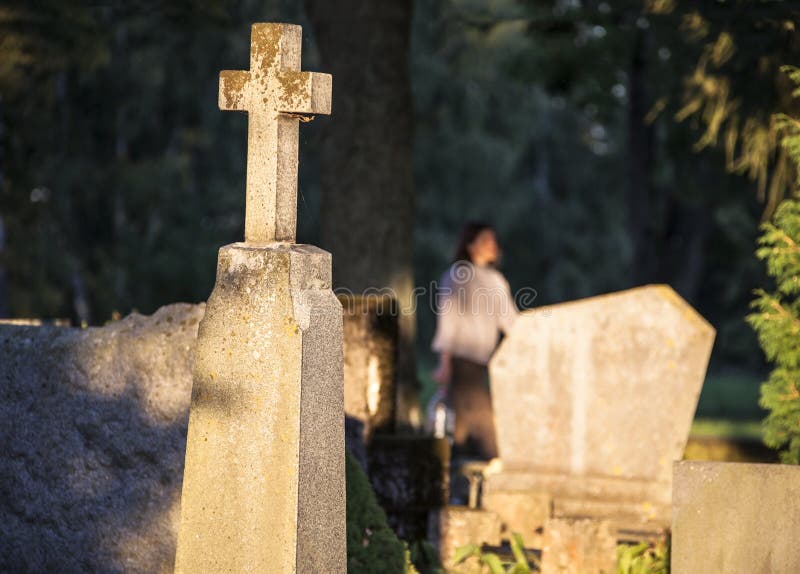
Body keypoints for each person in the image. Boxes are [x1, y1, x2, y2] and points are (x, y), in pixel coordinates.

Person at [431, 222, 518, 459]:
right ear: (470, 244)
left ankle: (452, 474)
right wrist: (445, 362)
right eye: (485, 240)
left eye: (493, 241)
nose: (492, 246)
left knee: (460, 424)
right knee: (478, 424)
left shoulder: (497, 281)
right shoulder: (457, 275)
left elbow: (510, 321)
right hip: (462, 363)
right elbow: (448, 319)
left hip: (482, 364)